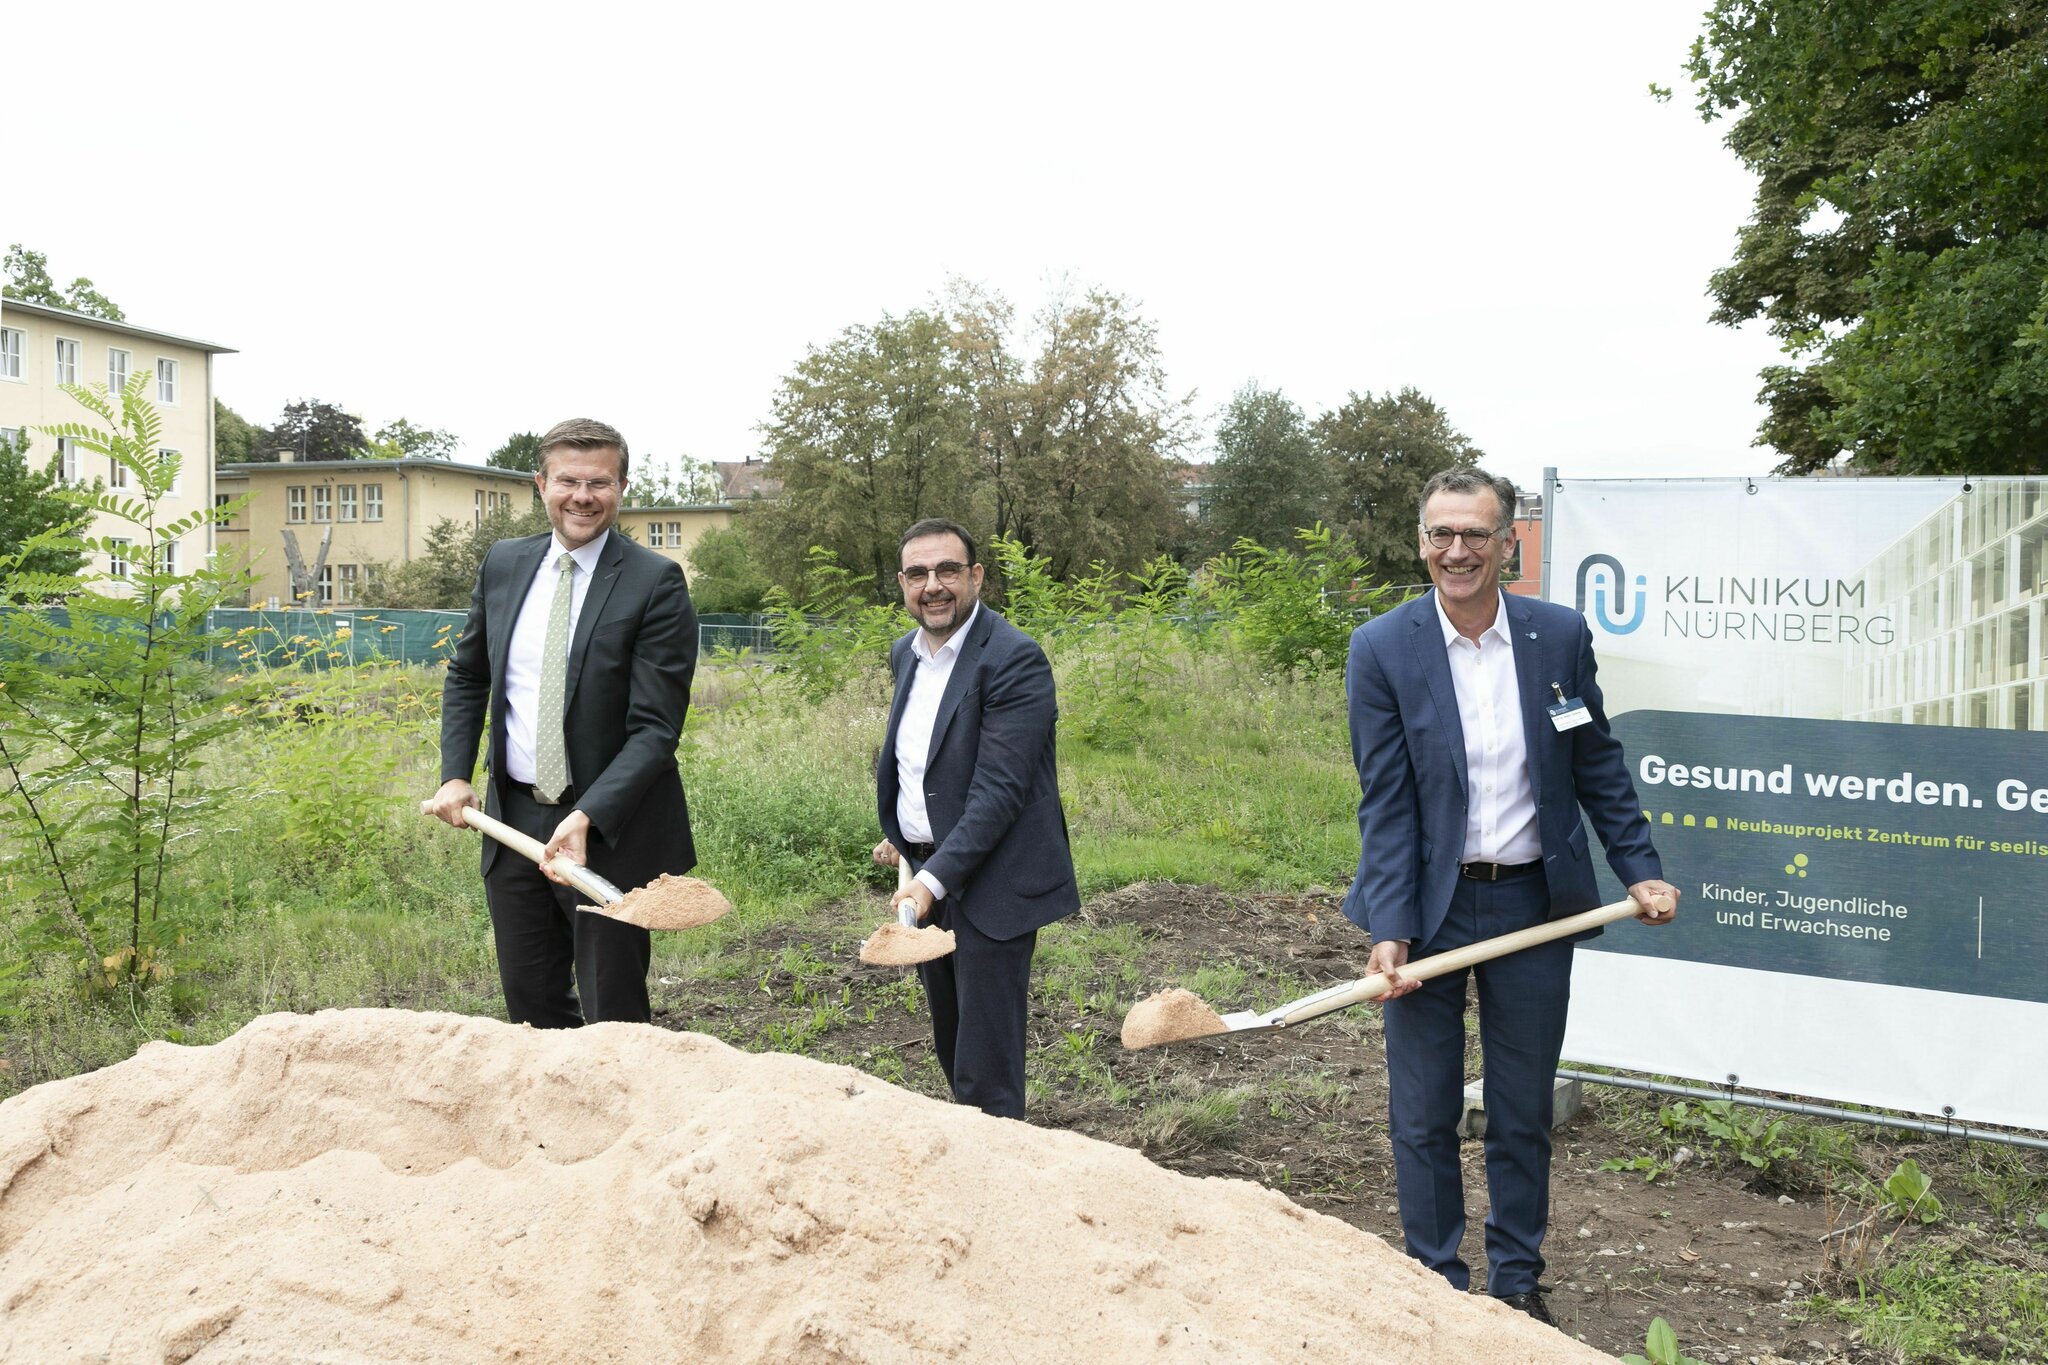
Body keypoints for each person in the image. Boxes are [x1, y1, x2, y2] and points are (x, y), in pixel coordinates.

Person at [1342, 467, 1678, 1325]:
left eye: (1477, 535)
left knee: (1522, 1109)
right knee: (1423, 1109)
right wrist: (1389, 925)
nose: (1459, 551)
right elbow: (1385, 800)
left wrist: (1635, 862)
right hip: (1430, 909)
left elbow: (1596, 759)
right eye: (1442, 535)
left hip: (1537, 904)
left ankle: (1519, 1281)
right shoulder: (1382, 647)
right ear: (1420, 541)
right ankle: (1436, 1281)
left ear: (1508, 544)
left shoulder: (1557, 636)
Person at [421, 417, 697, 1027]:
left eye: (599, 483)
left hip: (605, 829)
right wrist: (455, 774)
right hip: (512, 820)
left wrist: (587, 815)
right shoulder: (503, 564)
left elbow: (655, 728)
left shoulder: (655, 582)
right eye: (568, 480)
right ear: (540, 483)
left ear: (621, 488)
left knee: (612, 1009)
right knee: (531, 1004)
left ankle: (623, 1118)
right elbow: (468, 676)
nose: (583, 497)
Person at [872, 518, 1080, 1120]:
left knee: (985, 1064)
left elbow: (999, 793)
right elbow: (925, 761)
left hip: (995, 882)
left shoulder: (1014, 659)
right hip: (930, 873)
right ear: (902, 584)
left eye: (947, 571)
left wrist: (929, 882)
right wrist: (904, 839)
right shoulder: (905, 655)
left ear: (975, 577)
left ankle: (1003, 1185)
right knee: (951, 1036)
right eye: (918, 574)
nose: (932, 586)